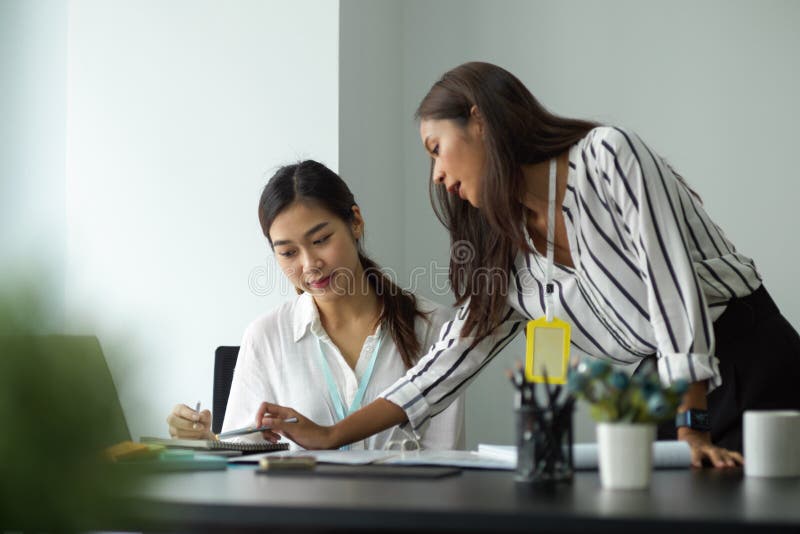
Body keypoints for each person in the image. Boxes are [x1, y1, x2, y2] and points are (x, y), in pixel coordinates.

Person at [254, 62, 800, 467]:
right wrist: (331, 435)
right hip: (664, 397)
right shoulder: (509, 257)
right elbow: (444, 368)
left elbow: (671, 287)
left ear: (480, 121)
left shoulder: (608, 157)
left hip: (745, 363)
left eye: (436, 147)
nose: (437, 175)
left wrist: (692, 421)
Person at [166, 160, 465, 450]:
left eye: (321, 240)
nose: (310, 265)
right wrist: (206, 443)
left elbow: (445, 461)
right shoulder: (266, 336)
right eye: (288, 253)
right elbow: (239, 461)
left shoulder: (435, 328)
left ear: (356, 222)